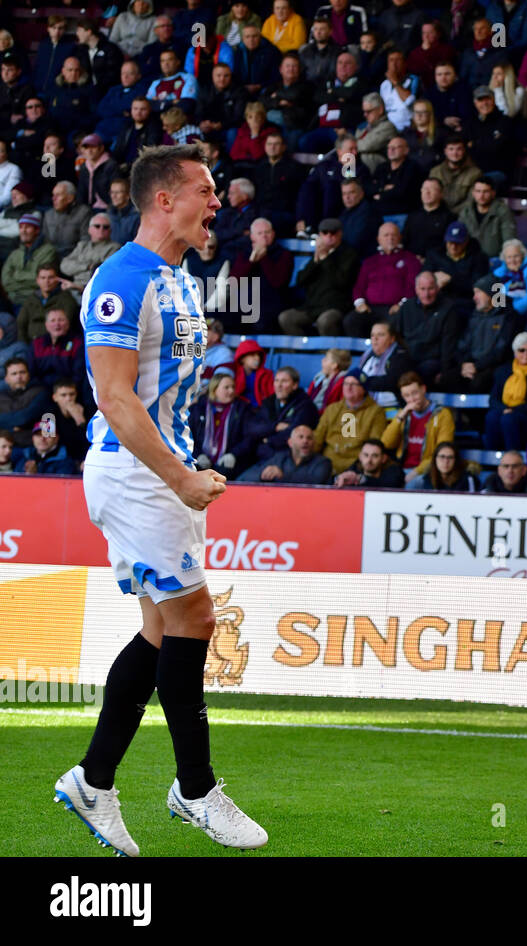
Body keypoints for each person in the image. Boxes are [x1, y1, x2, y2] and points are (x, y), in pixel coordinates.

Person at [54, 144, 271, 859]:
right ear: (162, 201)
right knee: (197, 615)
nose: (217, 203)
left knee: (161, 633)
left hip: (163, 472)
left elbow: (161, 392)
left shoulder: (182, 281)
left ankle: (93, 781)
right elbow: (115, 397)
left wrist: (184, 468)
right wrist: (179, 478)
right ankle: (196, 789)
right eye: (205, 191)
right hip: (134, 475)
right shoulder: (120, 278)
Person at [278, 218, 360, 336]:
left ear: (340, 233)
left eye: (333, 233)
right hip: (313, 306)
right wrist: (315, 261)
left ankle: (329, 353)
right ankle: (304, 353)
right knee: (286, 318)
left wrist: (325, 258)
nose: (329, 236)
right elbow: (300, 281)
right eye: (325, 233)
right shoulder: (318, 254)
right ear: (320, 235)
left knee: (325, 321)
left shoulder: (349, 254)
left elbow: (341, 281)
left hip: (336, 305)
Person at [345, 223, 421, 337]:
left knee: (397, 321)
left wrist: (401, 305)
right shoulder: (369, 262)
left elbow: (412, 286)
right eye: (386, 235)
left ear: (400, 237)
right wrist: (360, 303)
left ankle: (390, 353)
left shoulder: (410, 259)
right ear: (378, 239)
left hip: (395, 308)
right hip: (370, 308)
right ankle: (362, 354)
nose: (390, 238)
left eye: (393, 235)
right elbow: (359, 286)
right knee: (350, 321)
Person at [383, 372, 456, 485]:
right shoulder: (403, 414)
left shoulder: (442, 415)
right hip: (401, 469)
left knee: (413, 483)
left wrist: (416, 472)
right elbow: (386, 444)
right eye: (407, 395)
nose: (412, 399)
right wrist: (400, 418)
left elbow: (443, 452)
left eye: (414, 393)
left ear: (423, 389)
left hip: (429, 470)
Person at [453, 275, 521, 393]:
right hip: (471, 366)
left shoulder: (509, 317)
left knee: (479, 383)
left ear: (491, 294)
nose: (474, 297)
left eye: (478, 292)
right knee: (448, 378)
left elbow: (501, 351)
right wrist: (464, 364)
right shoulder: (474, 316)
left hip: (492, 367)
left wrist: (477, 366)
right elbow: (463, 344)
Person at [485, 333, 527, 450]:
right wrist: (505, 409)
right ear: (515, 352)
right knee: (492, 417)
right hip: (505, 411)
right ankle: (492, 458)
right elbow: (493, 399)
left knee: (509, 419)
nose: (525, 354)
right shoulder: (503, 371)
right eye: (521, 350)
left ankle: (514, 458)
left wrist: (514, 410)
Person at [315, 368, 387, 474]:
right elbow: (317, 439)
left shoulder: (376, 412)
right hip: (327, 464)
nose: (348, 388)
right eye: (346, 383)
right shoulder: (332, 409)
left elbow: (373, 445)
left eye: (354, 384)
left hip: (356, 466)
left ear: (363, 389)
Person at [190, 367, 259, 478]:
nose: (231, 391)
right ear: (214, 390)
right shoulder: (198, 409)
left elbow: (250, 438)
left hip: (231, 464)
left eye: (233, 387)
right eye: (226, 387)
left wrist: (234, 455)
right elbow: (189, 435)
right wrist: (197, 455)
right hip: (199, 463)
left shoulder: (243, 409)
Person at [251, 367, 319, 460]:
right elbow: (253, 428)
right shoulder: (268, 402)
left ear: (295, 385)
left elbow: (293, 434)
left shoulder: (305, 406)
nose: (279, 385)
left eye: (284, 381)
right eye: (276, 380)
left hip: (287, 456)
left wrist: (268, 440)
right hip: (261, 452)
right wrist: (275, 427)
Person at [238, 423, 332, 484]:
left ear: (314, 443)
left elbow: (315, 482)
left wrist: (282, 476)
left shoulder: (323, 462)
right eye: (301, 437)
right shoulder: (279, 458)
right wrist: (262, 474)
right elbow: (243, 478)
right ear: (290, 442)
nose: (305, 441)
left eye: (309, 438)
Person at [424, 221, 492, 303]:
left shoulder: (478, 258)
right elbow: (424, 277)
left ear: (466, 241)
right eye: (450, 242)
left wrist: (451, 280)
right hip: (437, 300)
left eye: (458, 243)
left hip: (465, 303)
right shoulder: (434, 255)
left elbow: (478, 286)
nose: (453, 247)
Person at [358, 321, 417, 408]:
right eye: (372, 335)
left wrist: (363, 382)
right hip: (365, 406)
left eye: (380, 335)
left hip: (392, 407)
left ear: (392, 339)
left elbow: (391, 381)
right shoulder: (367, 355)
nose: (375, 339)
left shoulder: (400, 356)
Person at [0, 357, 53, 448]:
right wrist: (14, 428)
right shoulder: (1, 397)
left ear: (29, 375)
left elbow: (24, 418)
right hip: (5, 448)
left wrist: (7, 425)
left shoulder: (41, 393)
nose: (19, 376)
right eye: (14, 374)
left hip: (31, 447)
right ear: (6, 378)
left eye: (22, 372)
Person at [31, 309, 84, 394]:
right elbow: (32, 373)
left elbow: (79, 373)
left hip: (68, 390)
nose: (57, 324)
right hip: (41, 391)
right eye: (52, 320)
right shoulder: (37, 343)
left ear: (68, 323)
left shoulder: (77, 342)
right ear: (46, 325)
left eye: (61, 320)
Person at [491, 239, 527, 318]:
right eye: (509, 257)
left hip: (526, 315)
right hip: (503, 316)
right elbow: (494, 297)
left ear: (523, 256)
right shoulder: (499, 273)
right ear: (504, 259)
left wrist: (512, 310)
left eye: (516, 256)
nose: (512, 260)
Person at [335, 437, 404, 488]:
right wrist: (340, 478)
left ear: (383, 458)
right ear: (360, 456)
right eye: (366, 455)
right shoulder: (355, 468)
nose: (369, 460)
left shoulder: (393, 470)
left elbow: (390, 484)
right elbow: (339, 479)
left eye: (375, 456)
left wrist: (359, 479)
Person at [413, 440, 477, 491]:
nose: (446, 461)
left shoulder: (467, 479)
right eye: (442, 457)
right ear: (435, 459)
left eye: (450, 457)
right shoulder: (426, 479)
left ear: (456, 460)